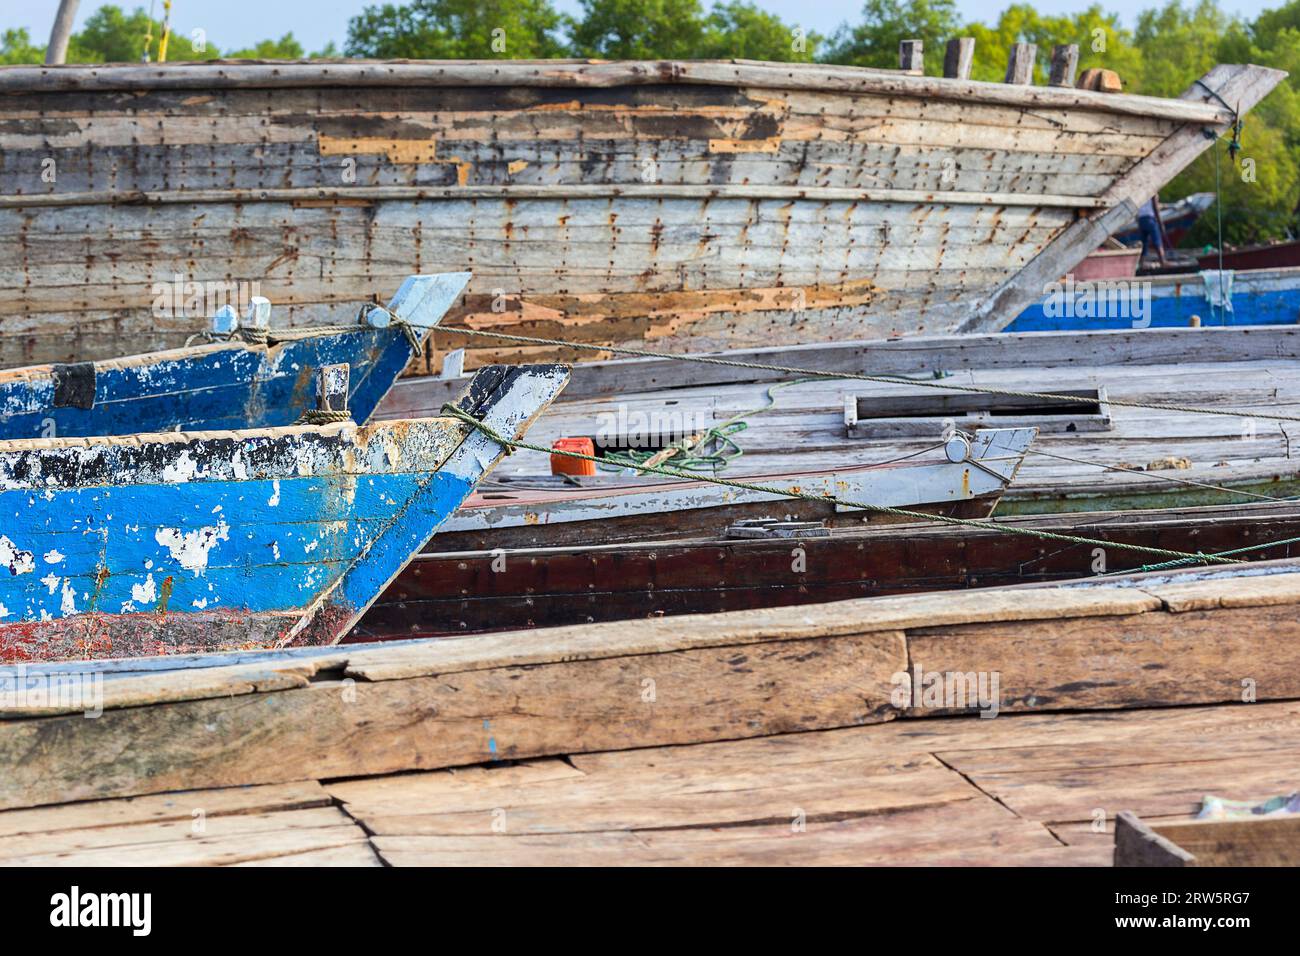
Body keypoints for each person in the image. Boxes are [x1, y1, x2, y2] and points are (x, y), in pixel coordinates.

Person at [1136, 195, 1168, 266]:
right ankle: (1163, 262)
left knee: (1144, 243)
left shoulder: (1141, 193)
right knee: (1157, 241)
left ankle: (1141, 263)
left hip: (1141, 219)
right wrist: (1160, 223)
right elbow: (1155, 207)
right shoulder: (1153, 193)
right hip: (1150, 219)